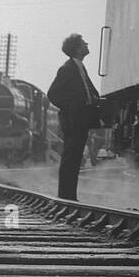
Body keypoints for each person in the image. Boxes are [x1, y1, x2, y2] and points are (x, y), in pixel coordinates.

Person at [46, 33, 101, 201]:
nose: (87, 44)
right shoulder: (67, 68)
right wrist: (71, 107)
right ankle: (65, 195)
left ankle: (70, 195)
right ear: (77, 48)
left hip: (82, 119)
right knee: (71, 157)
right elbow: (52, 94)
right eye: (84, 43)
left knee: (75, 157)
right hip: (73, 119)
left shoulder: (79, 67)